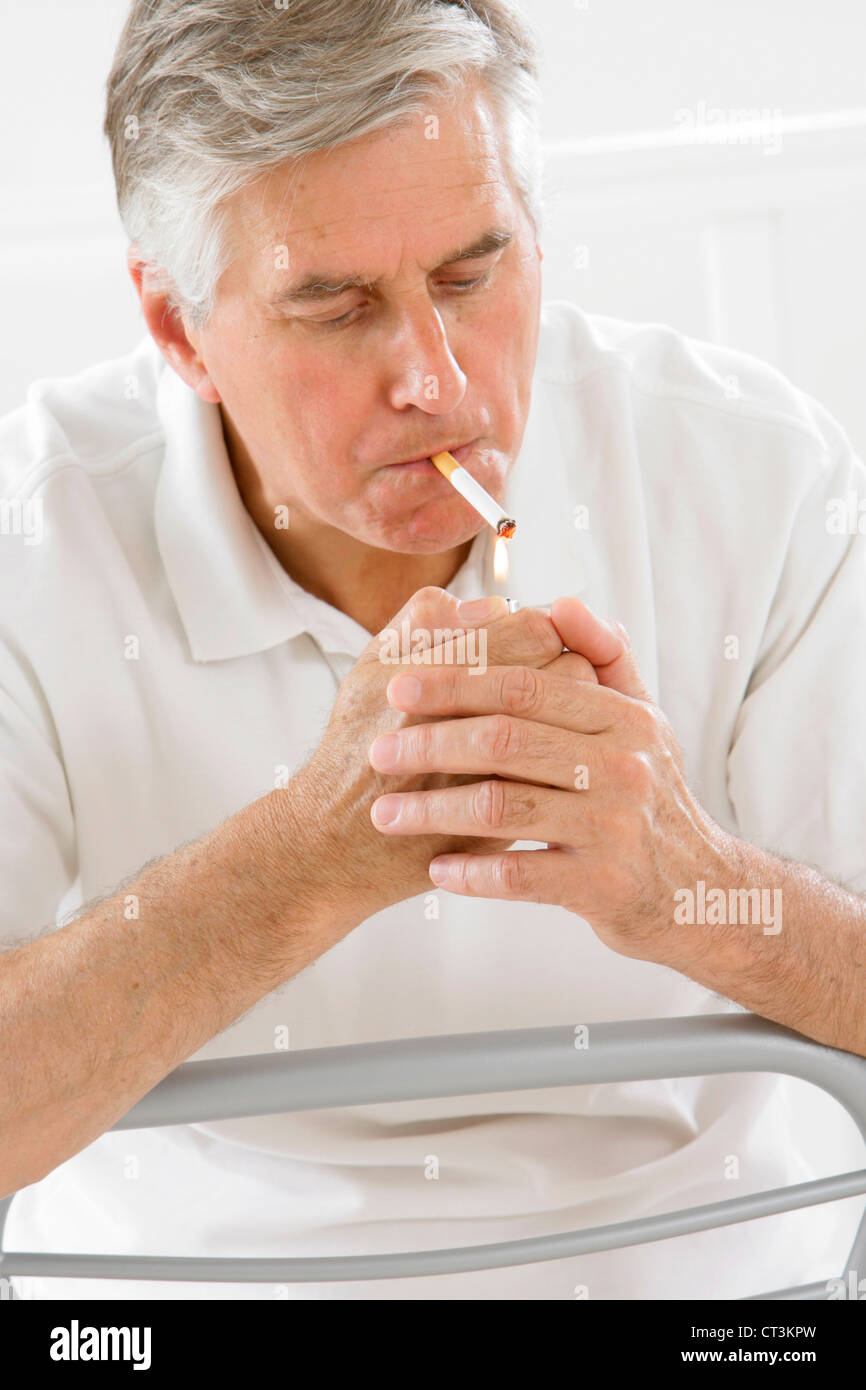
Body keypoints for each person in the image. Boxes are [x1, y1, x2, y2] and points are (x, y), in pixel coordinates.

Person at [1, 0, 865, 1301]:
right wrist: (302, 854)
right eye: (336, 306)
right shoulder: (35, 535)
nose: (435, 379)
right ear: (179, 331)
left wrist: (688, 887)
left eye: (471, 272)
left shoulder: (754, 472)